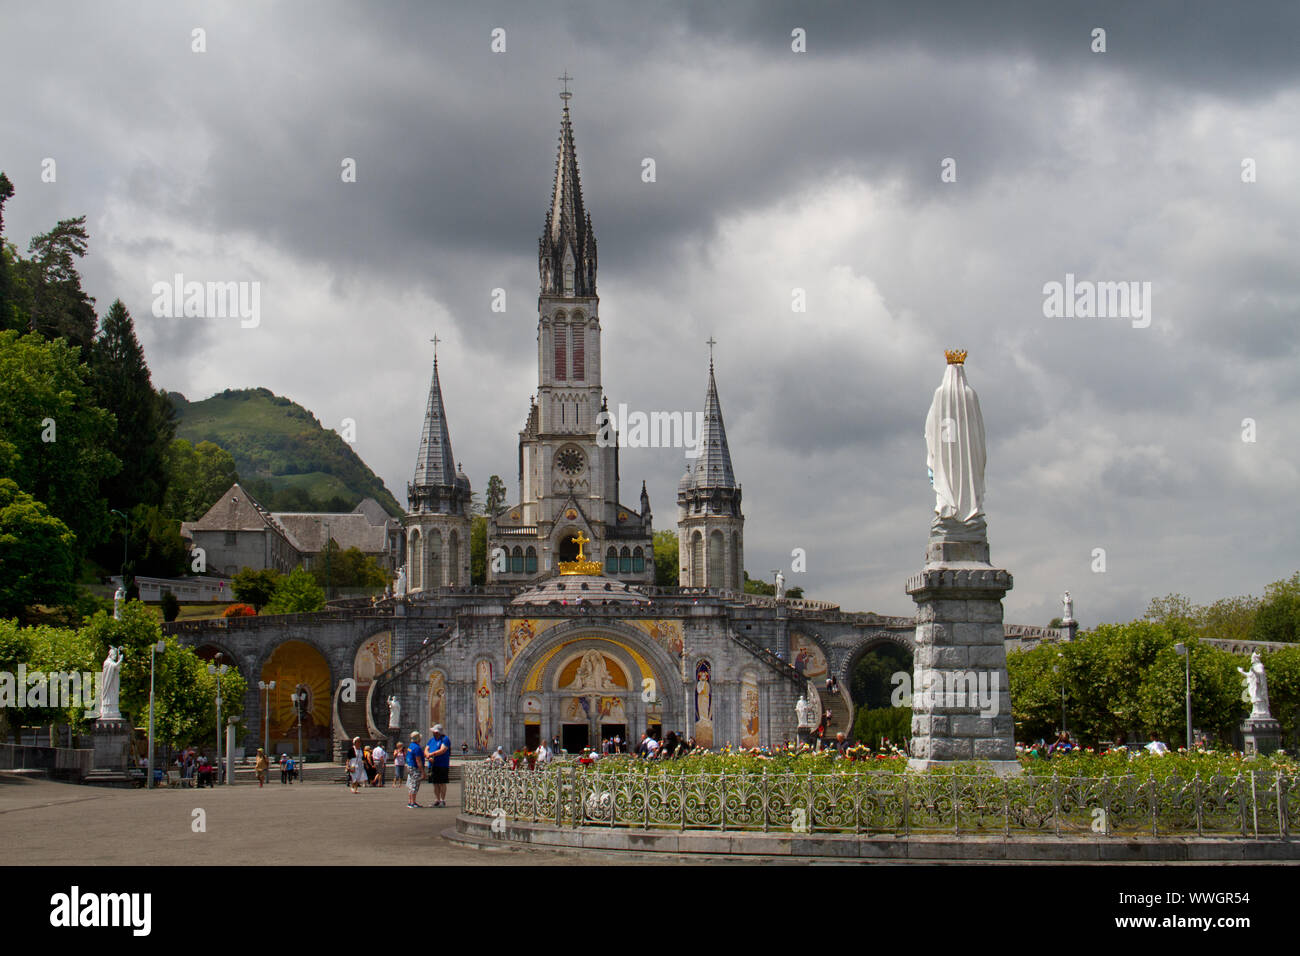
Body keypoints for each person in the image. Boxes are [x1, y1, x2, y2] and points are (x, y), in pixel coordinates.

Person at [426, 724, 451, 807]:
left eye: (434, 732)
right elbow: (426, 750)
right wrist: (428, 756)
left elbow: (443, 750)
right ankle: (437, 800)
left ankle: (443, 800)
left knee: (442, 783)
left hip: (442, 764)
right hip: (433, 764)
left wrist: (431, 754)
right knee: (435, 783)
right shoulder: (431, 740)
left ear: (438, 732)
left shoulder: (445, 739)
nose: (433, 733)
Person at [405, 732, 424, 808]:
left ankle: (410, 801)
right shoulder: (417, 748)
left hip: (409, 766)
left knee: (411, 784)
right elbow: (418, 760)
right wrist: (422, 772)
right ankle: (413, 802)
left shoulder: (411, 746)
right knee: (414, 785)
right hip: (415, 768)